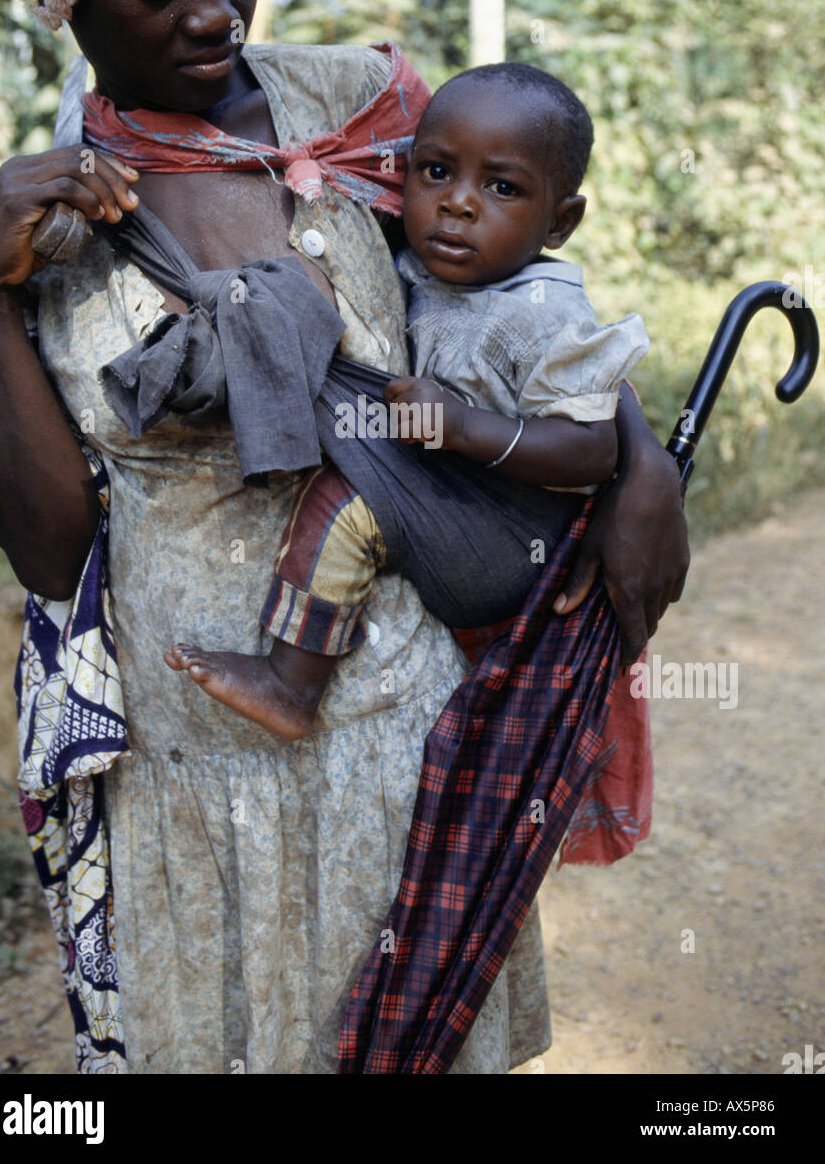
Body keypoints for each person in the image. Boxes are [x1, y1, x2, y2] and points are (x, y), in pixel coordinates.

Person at [0, 0, 688, 1073]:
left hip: (404, 737)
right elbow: (47, 547)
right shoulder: (45, 222)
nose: (218, 13)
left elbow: (518, 313)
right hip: (198, 770)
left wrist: (638, 464)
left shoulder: (364, 111)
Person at [156, 63, 651, 740]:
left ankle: (292, 683)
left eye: (502, 187)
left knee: (344, 507)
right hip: (446, 497)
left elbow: (592, 449)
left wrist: (461, 427)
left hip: (509, 532)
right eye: (437, 172)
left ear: (560, 222)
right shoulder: (416, 266)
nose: (458, 204)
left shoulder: (547, 312)